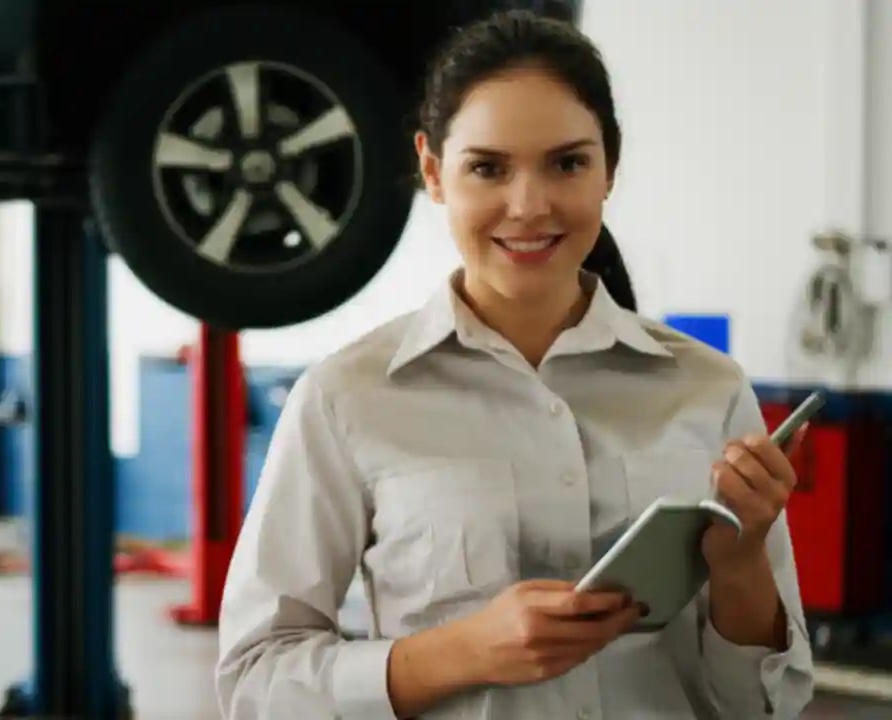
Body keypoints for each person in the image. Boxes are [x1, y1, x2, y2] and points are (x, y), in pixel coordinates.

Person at [215, 9, 814, 720]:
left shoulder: (708, 390)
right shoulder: (347, 398)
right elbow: (254, 683)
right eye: (488, 168)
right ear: (434, 172)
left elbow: (764, 704)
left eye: (567, 163)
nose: (528, 206)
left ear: (609, 170)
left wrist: (740, 565)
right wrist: (464, 651)